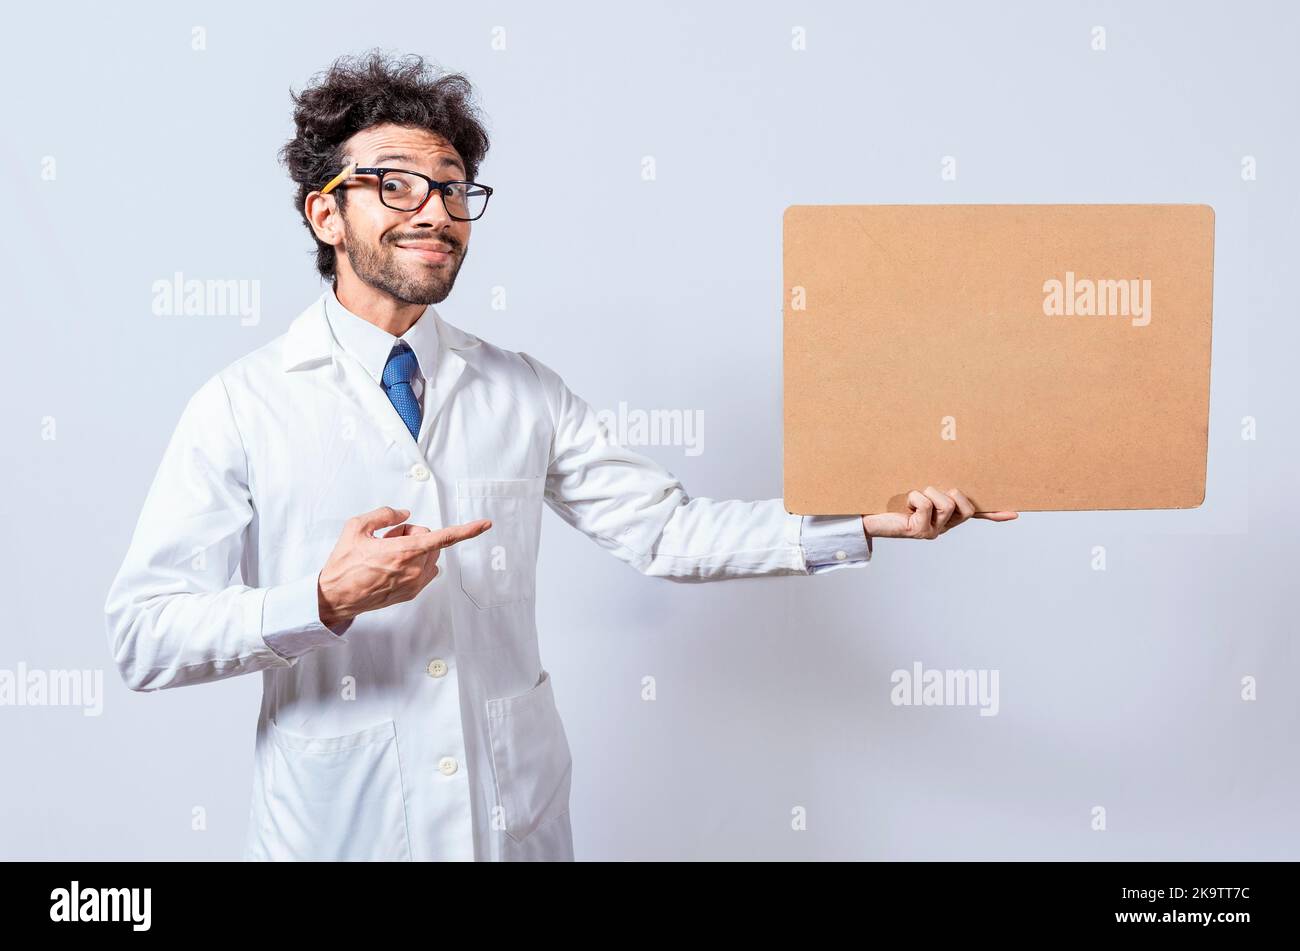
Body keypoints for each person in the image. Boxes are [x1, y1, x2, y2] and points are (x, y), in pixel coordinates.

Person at [104, 51, 1017, 862]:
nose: (436, 212)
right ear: (325, 215)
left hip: (512, 821)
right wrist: (321, 599)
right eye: (396, 186)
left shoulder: (522, 389)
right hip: (339, 823)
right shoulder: (240, 404)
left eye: (454, 190)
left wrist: (860, 522)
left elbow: (667, 532)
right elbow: (144, 636)